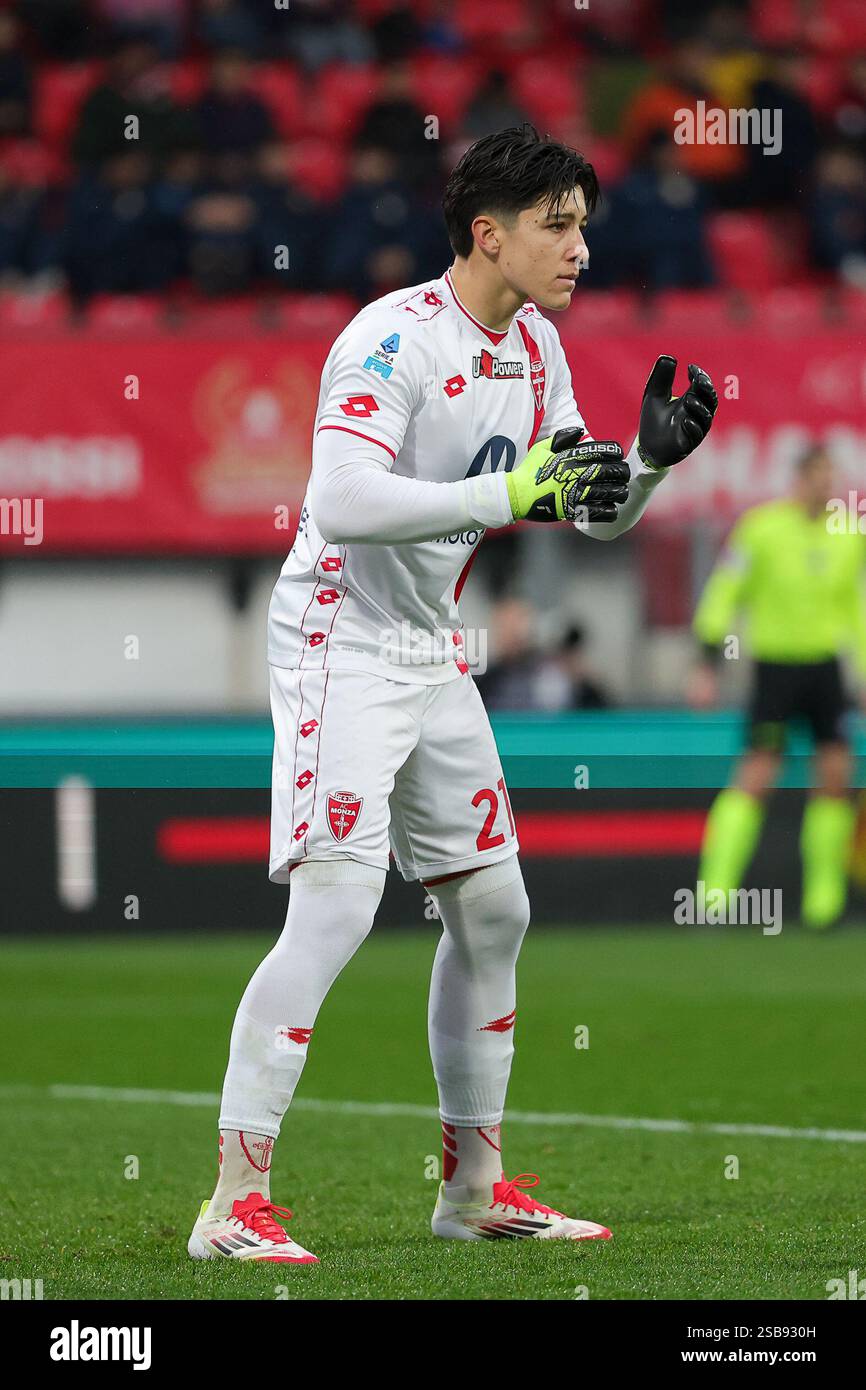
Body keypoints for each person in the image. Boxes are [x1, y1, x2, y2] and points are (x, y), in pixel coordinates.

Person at [188, 123, 717, 1263]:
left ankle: (473, 1188)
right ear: (487, 234)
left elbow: (579, 504)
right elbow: (343, 499)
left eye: (581, 224)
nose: (578, 248)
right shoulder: (390, 340)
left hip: (426, 644)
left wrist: (651, 463)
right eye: (555, 226)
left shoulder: (536, 351)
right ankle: (231, 1200)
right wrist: (513, 488)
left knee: (493, 908)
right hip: (337, 634)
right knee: (334, 907)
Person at [689, 445, 866, 930]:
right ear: (799, 479)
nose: (826, 489)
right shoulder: (761, 530)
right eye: (818, 479)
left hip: (825, 670)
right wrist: (708, 661)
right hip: (776, 670)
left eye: (831, 480)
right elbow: (726, 591)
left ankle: (823, 900)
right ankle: (715, 894)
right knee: (757, 775)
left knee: (834, 775)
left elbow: (856, 607)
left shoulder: (848, 536)